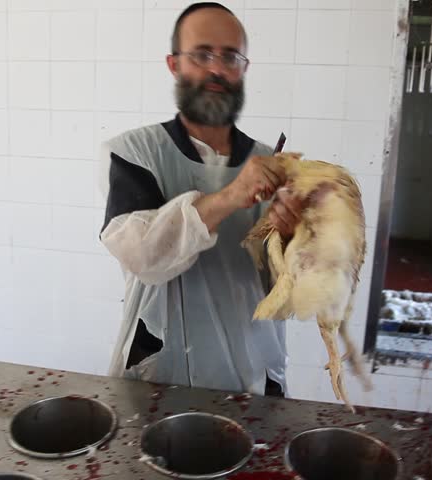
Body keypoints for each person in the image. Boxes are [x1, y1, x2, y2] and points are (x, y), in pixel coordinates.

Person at [97, 2, 303, 397]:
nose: (216, 69)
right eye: (202, 54)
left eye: (230, 57)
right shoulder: (133, 153)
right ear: (174, 65)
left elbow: (289, 298)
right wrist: (232, 196)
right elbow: (143, 257)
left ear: (243, 69)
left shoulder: (274, 166)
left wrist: (291, 240)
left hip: (253, 376)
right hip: (159, 374)